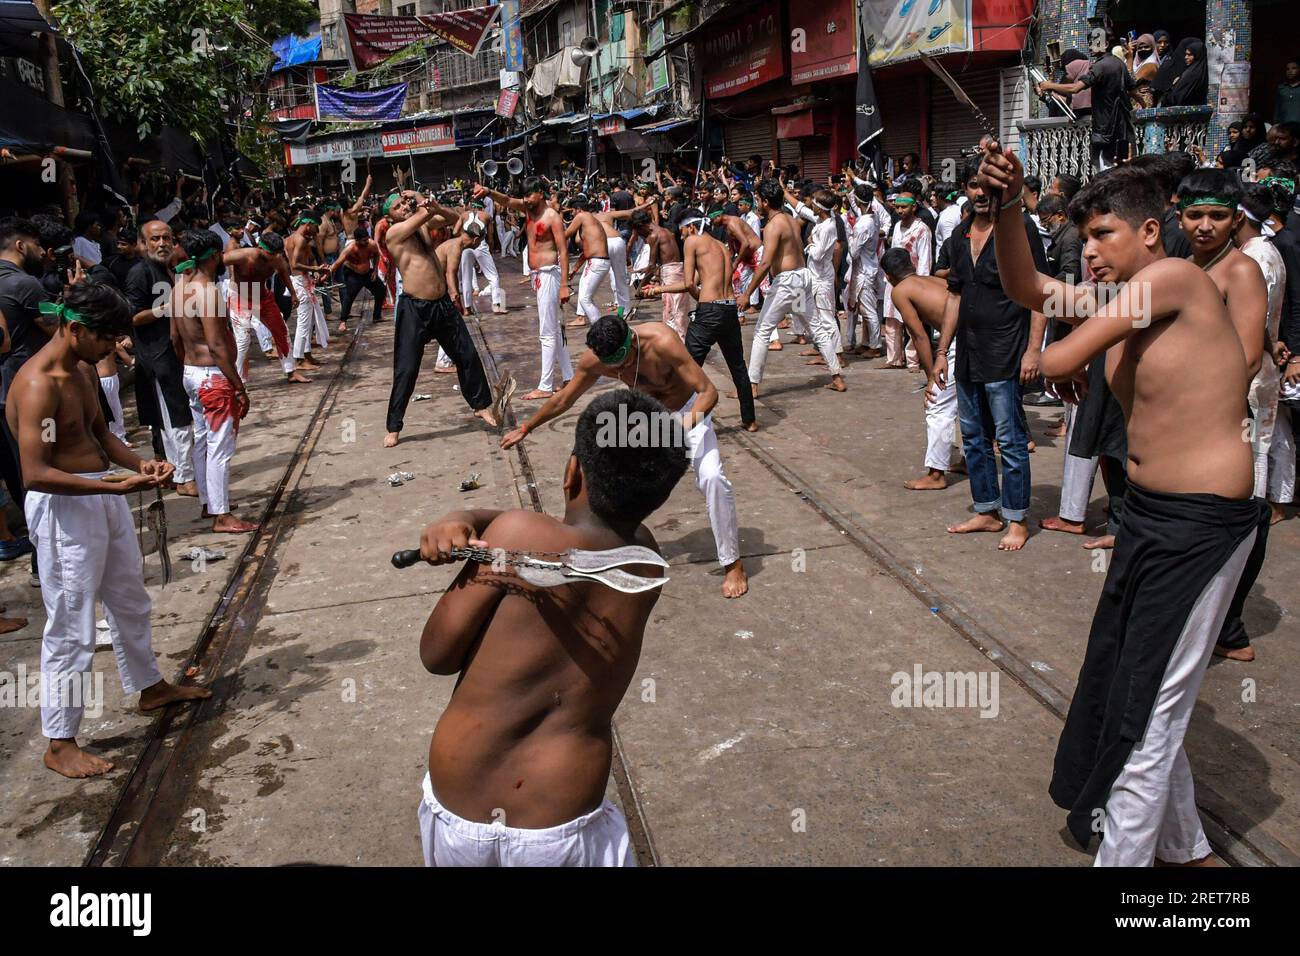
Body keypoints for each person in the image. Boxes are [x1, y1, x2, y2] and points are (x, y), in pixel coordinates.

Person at [981, 144, 1262, 868]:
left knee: (1148, 716)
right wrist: (1009, 204)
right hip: (1147, 516)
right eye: (1084, 239)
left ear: (1149, 230)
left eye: (1104, 235)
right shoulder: (1130, 298)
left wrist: (1066, 356)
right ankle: (1187, 849)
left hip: (1199, 526)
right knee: (1135, 690)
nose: (1091, 252)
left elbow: (1058, 357)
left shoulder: (1171, 278)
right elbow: (1028, 289)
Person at [415, 389, 686, 866]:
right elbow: (555, 537)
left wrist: (465, 518)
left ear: (571, 471)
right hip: (564, 818)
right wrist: (469, 519)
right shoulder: (647, 563)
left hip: (463, 805)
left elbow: (437, 656)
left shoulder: (518, 535)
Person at [8, 280, 211, 777]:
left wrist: (142, 465)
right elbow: (34, 472)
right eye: (107, 338)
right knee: (72, 626)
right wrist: (109, 489)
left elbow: (101, 436)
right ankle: (59, 740)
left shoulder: (80, 370)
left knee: (129, 599)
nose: (114, 348)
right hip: (65, 507)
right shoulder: (38, 383)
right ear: (76, 329)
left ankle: (150, 686)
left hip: (102, 490)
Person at [502, 315, 749, 599]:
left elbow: (708, 392)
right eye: (616, 368)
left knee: (712, 478)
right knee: (583, 468)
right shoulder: (595, 360)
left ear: (632, 340)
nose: (624, 369)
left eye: (627, 362)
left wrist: (676, 429)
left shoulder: (663, 341)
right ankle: (593, 546)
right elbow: (564, 398)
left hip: (689, 413)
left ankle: (732, 563)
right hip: (645, 418)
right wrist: (526, 427)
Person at [933, 156, 1047, 552]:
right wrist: (940, 352)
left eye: (987, 187)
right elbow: (954, 297)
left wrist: (1034, 350)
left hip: (1006, 352)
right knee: (974, 438)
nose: (981, 194)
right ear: (965, 190)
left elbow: (1040, 293)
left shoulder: (1019, 231)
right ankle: (987, 510)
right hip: (968, 354)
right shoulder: (960, 235)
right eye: (973, 187)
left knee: (1010, 440)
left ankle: (1017, 518)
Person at [381, 190, 499, 447]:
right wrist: (423, 204)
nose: (403, 207)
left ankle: (480, 405)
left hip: (442, 305)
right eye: (397, 207)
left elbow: (454, 218)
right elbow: (423, 215)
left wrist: (433, 204)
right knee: (407, 368)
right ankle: (394, 426)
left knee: (467, 354)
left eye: (404, 203)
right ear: (389, 216)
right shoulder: (395, 233)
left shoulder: (422, 224)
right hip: (414, 309)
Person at [170, 230, 258, 534]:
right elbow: (218, 346)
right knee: (220, 447)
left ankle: (210, 503)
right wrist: (238, 386)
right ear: (211, 256)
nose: (223, 259)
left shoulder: (178, 288)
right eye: (220, 254)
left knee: (203, 440)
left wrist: (190, 367)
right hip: (213, 378)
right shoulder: (207, 292)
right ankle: (222, 516)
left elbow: (174, 338)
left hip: (191, 374)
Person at [641, 209, 757, 432]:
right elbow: (694, 285)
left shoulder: (693, 242)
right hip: (728, 310)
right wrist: (660, 289)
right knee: (738, 367)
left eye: (683, 230)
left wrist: (658, 289)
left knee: (686, 367)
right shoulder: (720, 246)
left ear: (691, 226)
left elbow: (688, 285)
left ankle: (670, 421)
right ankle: (749, 419)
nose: (681, 235)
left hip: (710, 313)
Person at [474, 178, 573, 400]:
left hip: (549, 274)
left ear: (540, 193)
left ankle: (545, 386)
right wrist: (489, 191)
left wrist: (565, 285)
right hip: (538, 276)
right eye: (525, 196)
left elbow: (563, 252)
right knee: (555, 330)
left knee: (547, 332)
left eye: (529, 195)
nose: (526, 199)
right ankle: (569, 377)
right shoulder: (529, 210)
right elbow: (508, 200)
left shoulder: (552, 217)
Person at [125, 219, 197, 497]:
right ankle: (184, 477)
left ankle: (177, 471)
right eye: (155, 239)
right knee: (174, 419)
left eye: (167, 238)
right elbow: (132, 316)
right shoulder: (140, 273)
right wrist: (168, 307)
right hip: (157, 358)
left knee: (179, 416)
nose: (162, 244)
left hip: (173, 355)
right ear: (143, 244)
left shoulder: (168, 270)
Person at [883, 248, 962, 491]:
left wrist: (931, 377)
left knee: (937, 404)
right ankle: (970, 460)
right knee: (969, 402)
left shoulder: (900, 291)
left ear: (888, 276)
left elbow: (919, 335)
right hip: (979, 336)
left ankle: (936, 474)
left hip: (960, 342)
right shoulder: (934, 279)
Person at [223, 232, 309, 383]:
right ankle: (238, 381)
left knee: (282, 331)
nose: (273, 257)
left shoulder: (277, 259)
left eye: (276, 254)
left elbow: (284, 273)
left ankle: (291, 371)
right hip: (239, 297)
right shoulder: (242, 255)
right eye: (270, 254)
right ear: (260, 248)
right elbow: (214, 262)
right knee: (243, 340)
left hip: (262, 296)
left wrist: (294, 294)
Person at [1039, 44, 1134, 171]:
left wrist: (1050, 86)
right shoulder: (1116, 65)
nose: (1066, 75)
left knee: (1108, 170)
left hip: (1105, 133)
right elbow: (1134, 90)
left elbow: (1075, 88)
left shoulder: (1099, 69)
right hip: (1119, 132)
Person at [881, 180, 933, 370]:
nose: (900, 211)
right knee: (892, 320)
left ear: (913, 207)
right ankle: (894, 359)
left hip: (912, 282)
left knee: (913, 322)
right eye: (897, 207)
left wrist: (922, 285)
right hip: (893, 280)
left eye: (904, 207)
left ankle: (913, 360)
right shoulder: (896, 227)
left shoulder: (922, 230)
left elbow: (925, 261)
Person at [631, 210, 687, 339]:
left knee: (672, 312)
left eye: (638, 232)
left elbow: (652, 266)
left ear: (642, 226)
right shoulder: (664, 231)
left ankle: (677, 345)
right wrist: (649, 271)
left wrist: (639, 289)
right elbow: (664, 260)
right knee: (678, 311)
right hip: (675, 270)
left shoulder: (653, 235)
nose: (640, 236)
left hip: (671, 274)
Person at [284, 214, 329, 372]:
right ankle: (299, 359)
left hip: (302, 281)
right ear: (308, 224)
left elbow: (308, 257)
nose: (316, 232)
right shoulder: (300, 239)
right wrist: (315, 269)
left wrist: (314, 268)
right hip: (300, 282)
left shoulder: (293, 238)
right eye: (316, 228)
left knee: (308, 322)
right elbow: (295, 264)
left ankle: (307, 354)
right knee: (303, 324)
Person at [328, 228, 388, 333]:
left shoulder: (371, 244)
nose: (366, 242)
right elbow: (337, 263)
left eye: (367, 239)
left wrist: (375, 271)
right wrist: (326, 275)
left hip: (367, 273)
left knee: (381, 290)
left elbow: (376, 255)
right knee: (349, 296)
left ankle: (377, 315)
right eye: (363, 240)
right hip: (353, 274)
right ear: (357, 240)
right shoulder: (350, 249)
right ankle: (343, 321)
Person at [563, 197, 611, 330]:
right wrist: (574, 269)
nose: (572, 215)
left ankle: (600, 327)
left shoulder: (582, 216)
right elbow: (586, 252)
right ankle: (580, 317)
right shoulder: (591, 220)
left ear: (578, 209)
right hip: (596, 261)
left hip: (597, 262)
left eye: (572, 211)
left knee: (585, 298)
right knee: (583, 290)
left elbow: (565, 235)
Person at [1163, 40, 1208, 107]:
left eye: (1189, 55)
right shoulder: (1201, 71)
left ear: (1197, 55)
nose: (1186, 57)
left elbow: (1176, 98)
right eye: (1186, 54)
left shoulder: (1191, 74)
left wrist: (1173, 86)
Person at [1277, 59, 1300, 125]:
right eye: (1287, 69)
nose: (1290, 71)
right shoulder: (1281, 88)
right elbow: (1277, 109)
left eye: (1294, 68)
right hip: (1284, 126)